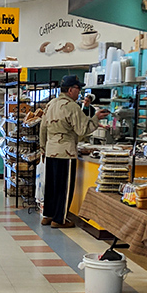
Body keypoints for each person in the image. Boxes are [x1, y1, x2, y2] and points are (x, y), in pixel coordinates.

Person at [39, 74, 110, 228]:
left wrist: (43, 148)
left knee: (51, 186)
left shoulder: (51, 104)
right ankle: (59, 219)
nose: (79, 92)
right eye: (78, 89)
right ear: (70, 89)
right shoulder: (72, 106)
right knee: (64, 187)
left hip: (51, 151)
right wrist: (96, 118)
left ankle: (48, 215)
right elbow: (82, 130)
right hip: (66, 153)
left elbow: (42, 128)